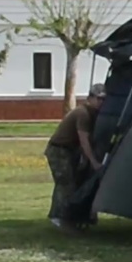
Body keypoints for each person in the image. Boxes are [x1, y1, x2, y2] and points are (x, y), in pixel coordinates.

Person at [44, 83, 107, 232]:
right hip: (59, 150)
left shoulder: (92, 114)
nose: (102, 103)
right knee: (66, 184)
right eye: (99, 99)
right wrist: (93, 161)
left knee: (71, 182)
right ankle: (60, 218)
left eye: (104, 100)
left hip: (69, 151)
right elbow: (84, 140)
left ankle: (68, 216)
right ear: (90, 98)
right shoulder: (83, 113)